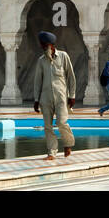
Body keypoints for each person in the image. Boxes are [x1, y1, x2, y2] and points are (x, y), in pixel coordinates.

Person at [32, 31, 76, 160]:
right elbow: (37, 81)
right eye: (41, 44)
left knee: (62, 122)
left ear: (51, 45)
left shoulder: (63, 56)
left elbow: (71, 77)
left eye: (44, 44)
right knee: (48, 126)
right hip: (45, 98)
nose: (42, 46)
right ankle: (52, 152)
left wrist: (72, 95)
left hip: (61, 97)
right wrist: (36, 99)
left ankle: (68, 143)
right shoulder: (41, 61)